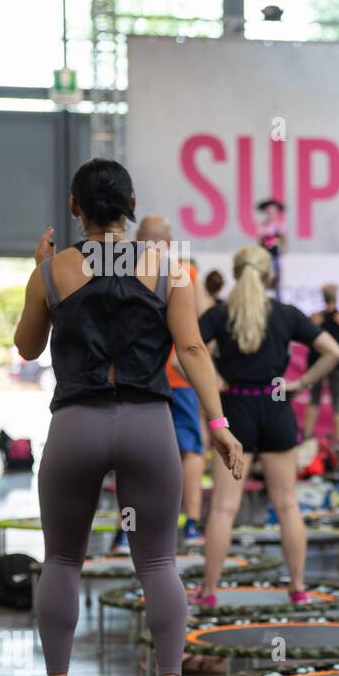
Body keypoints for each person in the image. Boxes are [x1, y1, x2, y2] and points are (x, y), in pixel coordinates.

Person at [14, 158, 243, 676]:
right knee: (159, 562)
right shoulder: (171, 270)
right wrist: (218, 423)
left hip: (77, 424)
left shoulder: (55, 270)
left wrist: (41, 272)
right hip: (148, 423)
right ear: (131, 208)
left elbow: (27, 346)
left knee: (63, 560)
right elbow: (191, 350)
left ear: (75, 208)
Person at [198, 246, 339, 603]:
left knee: (223, 508)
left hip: (235, 412)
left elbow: (185, 352)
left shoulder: (220, 315)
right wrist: (301, 384)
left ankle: (210, 590)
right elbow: (334, 352)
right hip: (277, 406)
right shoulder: (286, 314)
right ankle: (297, 587)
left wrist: (214, 378)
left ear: (236, 273)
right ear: (269, 277)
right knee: (287, 504)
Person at [138, 215, 207, 543]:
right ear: (168, 242)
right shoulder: (184, 272)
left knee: (137, 453)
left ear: (138, 240)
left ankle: (131, 530)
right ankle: (191, 523)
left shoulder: (120, 270)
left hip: (137, 378)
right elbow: (195, 335)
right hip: (178, 377)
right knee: (191, 450)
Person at [302, 284, 339, 445]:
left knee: (314, 400)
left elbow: (304, 339)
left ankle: (306, 436)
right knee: (338, 401)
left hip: (317, 362)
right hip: (335, 363)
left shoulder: (315, 318)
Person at [257, 198, 286, 298]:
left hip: (275, 254)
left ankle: (278, 298)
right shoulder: (263, 226)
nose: (271, 215)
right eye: (269, 213)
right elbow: (260, 239)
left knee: (277, 276)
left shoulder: (279, 225)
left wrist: (284, 247)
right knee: (264, 276)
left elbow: (283, 237)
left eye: (273, 213)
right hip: (266, 254)